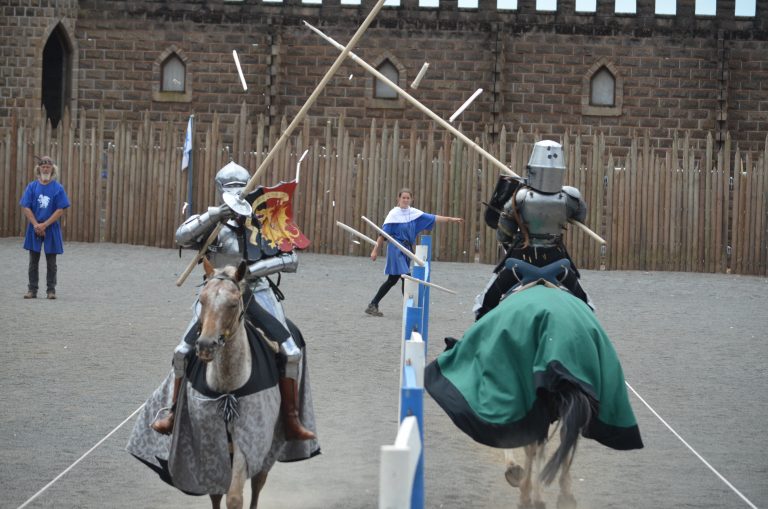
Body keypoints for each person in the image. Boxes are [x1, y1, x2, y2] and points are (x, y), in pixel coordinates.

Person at [150, 161, 315, 441]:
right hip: (216, 291)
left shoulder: (266, 220)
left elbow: (291, 259)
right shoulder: (212, 221)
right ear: (220, 191)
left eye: (240, 190)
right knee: (181, 351)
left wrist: (250, 271)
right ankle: (173, 413)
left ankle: (290, 419)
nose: (236, 196)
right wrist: (214, 215)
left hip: (256, 290)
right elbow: (181, 236)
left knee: (291, 351)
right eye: (230, 190)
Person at [474, 140, 592, 320]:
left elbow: (504, 234)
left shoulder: (520, 197)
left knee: (488, 298)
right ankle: (590, 327)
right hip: (556, 257)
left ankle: (479, 327)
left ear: (532, 167)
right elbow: (580, 217)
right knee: (584, 301)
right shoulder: (570, 197)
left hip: (523, 256)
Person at [365, 187, 463, 317]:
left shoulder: (414, 214)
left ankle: (373, 304)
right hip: (396, 249)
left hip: (407, 250)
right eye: (403, 197)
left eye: (407, 198)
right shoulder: (393, 214)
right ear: (398, 199)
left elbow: (433, 218)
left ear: (411, 199)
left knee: (392, 280)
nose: (405, 200)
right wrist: (375, 251)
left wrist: (451, 219)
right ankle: (409, 308)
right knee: (407, 277)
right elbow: (382, 234)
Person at [20, 156, 71, 300]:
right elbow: (26, 206)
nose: (45, 169)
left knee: (51, 262)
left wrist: (45, 224)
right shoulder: (32, 187)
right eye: (43, 166)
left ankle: (51, 290)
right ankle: (32, 290)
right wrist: (36, 224)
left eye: (48, 166)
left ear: (52, 169)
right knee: (33, 261)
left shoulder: (57, 188)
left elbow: (61, 209)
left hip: (51, 227)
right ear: (39, 169)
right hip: (34, 227)